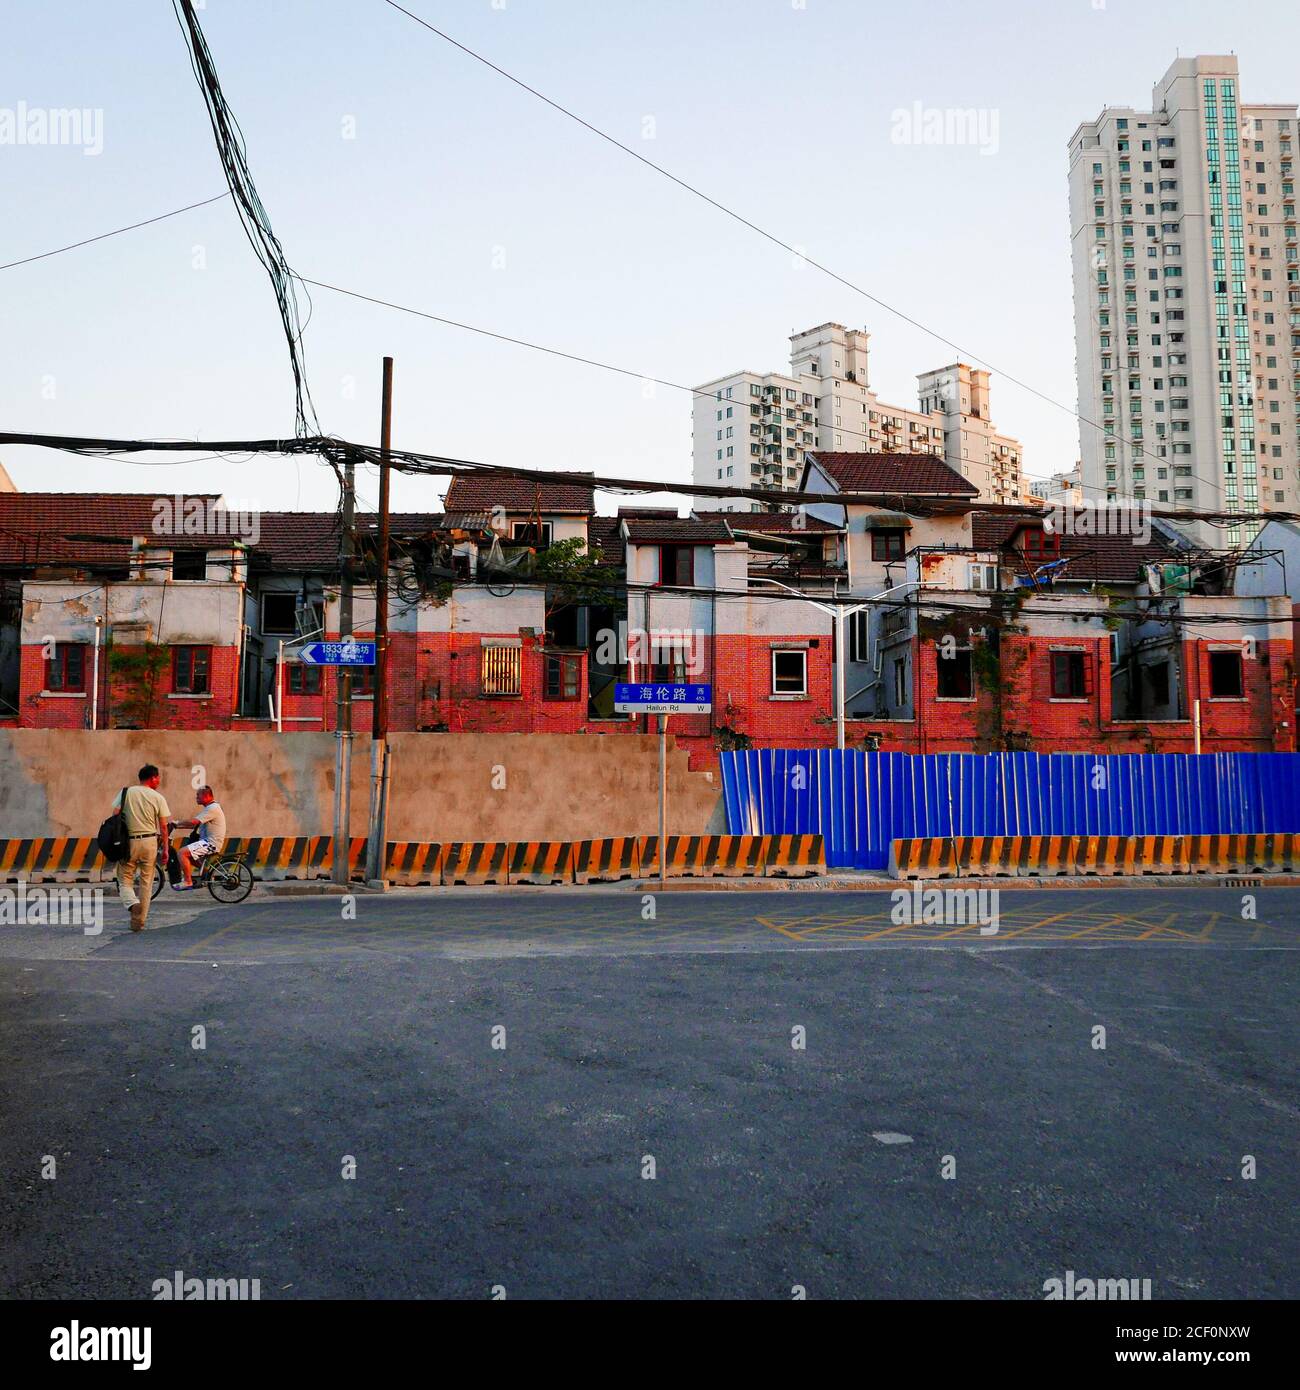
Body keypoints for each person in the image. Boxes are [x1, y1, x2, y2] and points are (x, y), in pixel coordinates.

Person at [112, 765, 170, 931]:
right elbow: (163, 827)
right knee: (146, 883)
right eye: (158, 778)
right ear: (152, 778)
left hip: (129, 842)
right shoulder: (158, 797)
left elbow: (115, 814)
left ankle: (132, 903)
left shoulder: (126, 792)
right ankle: (140, 920)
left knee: (124, 880)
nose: (159, 781)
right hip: (150, 842)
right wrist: (166, 849)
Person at [173, 786, 226, 890]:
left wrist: (177, 822)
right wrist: (176, 826)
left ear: (206, 796)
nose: (196, 797)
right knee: (190, 857)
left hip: (210, 843)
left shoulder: (212, 808)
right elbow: (195, 825)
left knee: (182, 853)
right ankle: (207, 873)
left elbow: (194, 822)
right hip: (208, 842)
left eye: (198, 795)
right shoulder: (210, 808)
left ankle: (188, 882)